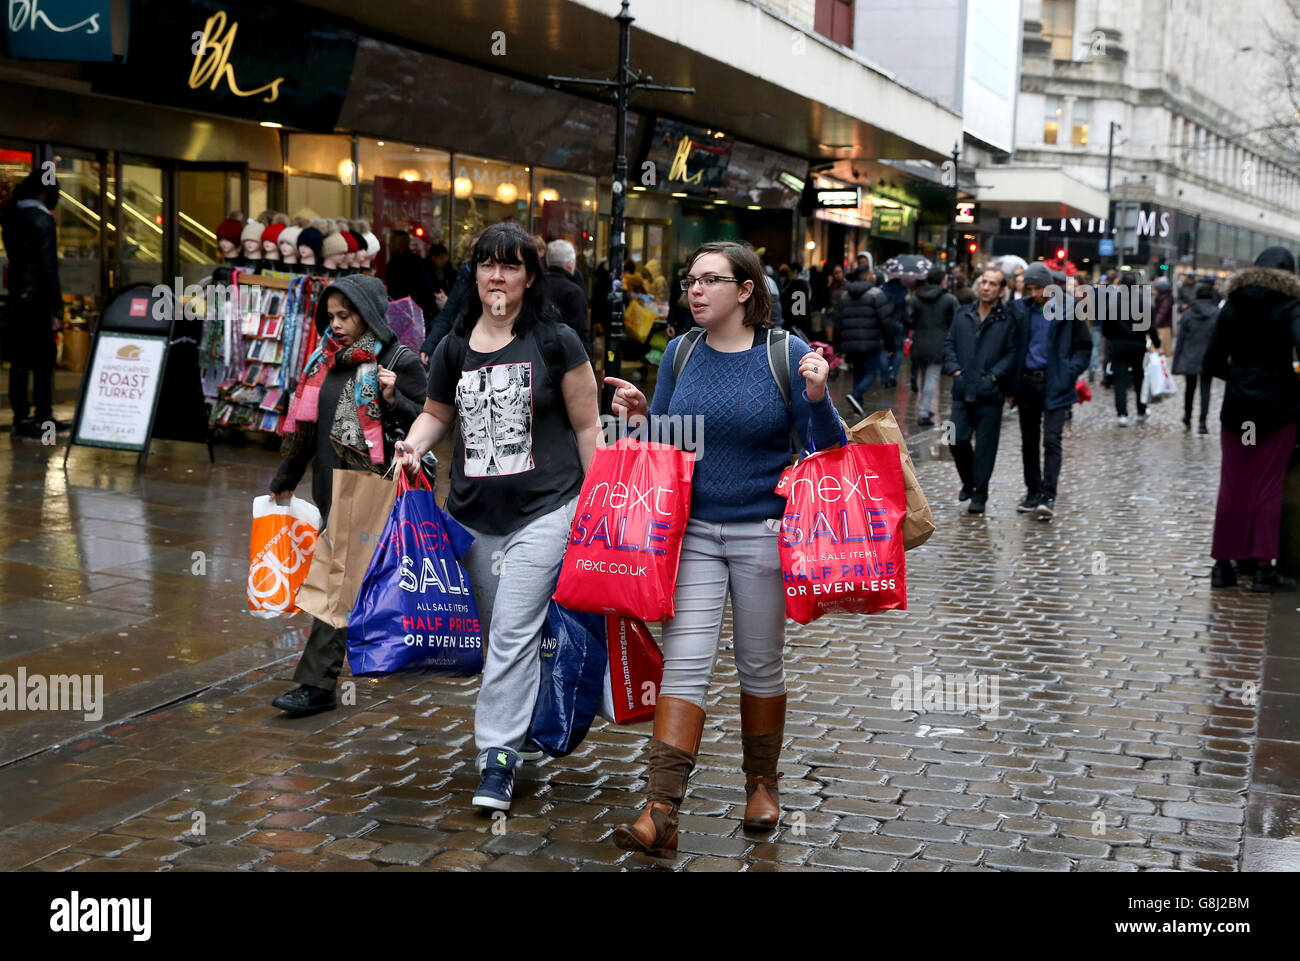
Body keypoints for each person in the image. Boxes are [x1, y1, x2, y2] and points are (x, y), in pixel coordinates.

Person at [602, 240, 840, 858]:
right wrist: (633, 417)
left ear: (746, 290)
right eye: (690, 280)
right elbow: (663, 441)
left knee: (759, 665)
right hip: (694, 534)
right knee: (685, 665)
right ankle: (661, 809)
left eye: (711, 280)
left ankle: (762, 784)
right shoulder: (681, 352)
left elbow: (828, 447)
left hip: (764, 532)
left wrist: (818, 399)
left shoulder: (784, 354)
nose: (696, 291)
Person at [393, 222, 602, 810]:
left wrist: (595, 505)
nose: (497, 275)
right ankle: (529, 713)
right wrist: (413, 444)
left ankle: (496, 762)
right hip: (472, 515)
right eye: (487, 264)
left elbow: (588, 427)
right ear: (475, 274)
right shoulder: (455, 346)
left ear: (529, 276)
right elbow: (437, 416)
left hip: (547, 508)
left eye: (509, 265)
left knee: (511, 633)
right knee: (497, 639)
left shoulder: (557, 341)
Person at [268, 275, 427, 716]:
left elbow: (431, 423)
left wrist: (395, 400)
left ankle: (316, 684)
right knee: (351, 582)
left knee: (335, 582)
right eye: (331, 316)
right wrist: (286, 474)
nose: (335, 325)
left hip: (370, 486)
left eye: (345, 316)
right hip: (330, 488)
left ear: (368, 314)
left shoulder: (398, 361)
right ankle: (391, 652)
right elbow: (306, 427)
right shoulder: (324, 361)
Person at [1204, 246, 1300, 592]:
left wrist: (1241, 377)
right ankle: (1262, 568)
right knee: (1268, 485)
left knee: (1235, 483)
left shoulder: (1234, 305)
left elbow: (1212, 360)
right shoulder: (1291, 306)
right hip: (1276, 413)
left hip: (1241, 415)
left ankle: (1223, 566)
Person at [1009, 263, 1092, 520]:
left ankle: (1048, 495)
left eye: (1038, 288)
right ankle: (1032, 490)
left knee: (1052, 440)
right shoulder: (1021, 310)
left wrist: (1069, 371)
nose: (1034, 293)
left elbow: (1084, 346)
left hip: (1057, 382)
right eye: (1029, 288)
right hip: (1027, 383)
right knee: (1029, 440)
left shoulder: (1068, 309)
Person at [944, 268, 1018, 514]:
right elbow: (950, 344)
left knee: (986, 447)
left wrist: (994, 376)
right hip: (962, 389)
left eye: (992, 284)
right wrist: (955, 370)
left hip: (990, 393)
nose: (986, 287)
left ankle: (980, 495)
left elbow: (1011, 353)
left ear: (1001, 290)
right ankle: (968, 481)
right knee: (956, 438)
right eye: (984, 282)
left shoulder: (1007, 319)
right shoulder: (962, 313)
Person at [3, 170, 65, 439]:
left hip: (18, 297)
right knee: (42, 360)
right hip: (38, 299)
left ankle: (20, 417)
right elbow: (48, 267)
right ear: (46, 192)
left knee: (20, 360)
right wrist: (56, 308)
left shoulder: (12, 216)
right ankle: (43, 415)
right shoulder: (42, 219)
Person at [833, 266, 895, 415]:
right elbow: (885, 321)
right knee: (871, 373)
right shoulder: (876, 294)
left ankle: (857, 406)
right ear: (867, 276)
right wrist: (889, 343)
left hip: (850, 342)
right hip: (871, 341)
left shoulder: (845, 295)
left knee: (857, 372)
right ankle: (856, 395)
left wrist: (837, 345)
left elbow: (838, 321)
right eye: (872, 274)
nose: (874, 276)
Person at [1103, 275, 1159, 425]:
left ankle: (1122, 414)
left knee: (1119, 380)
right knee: (1139, 378)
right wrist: (1156, 343)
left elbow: (1105, 324)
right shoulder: (1143, 302)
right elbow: (1150, 326)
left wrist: (1110, 339)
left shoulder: (1113, 301)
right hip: (1137, 345)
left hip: (1118, 345)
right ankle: (1141, 411)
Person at [906, 266, 959, 426]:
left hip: (920, 341)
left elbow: (908, 319)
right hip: (939, 343)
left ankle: (925, 407)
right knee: (931, 378)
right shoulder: (949, 299)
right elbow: (957, 321)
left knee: (924, 378)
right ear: (943, 280)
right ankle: (924, 412)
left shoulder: (915, 298)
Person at [1171, 276, 1221, 433]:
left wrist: (1176, 362)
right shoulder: (1217, 314)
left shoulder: (1188, 314)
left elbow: (1180, 340)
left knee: (1189, 389)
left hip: (1190, 356)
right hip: (1209, 357)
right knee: (1206, 389)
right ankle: (1202, 421)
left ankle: (1187, 416)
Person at [544, 239, 591, 353]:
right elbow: (579, 331)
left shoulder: (535, 285)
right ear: (570, 264)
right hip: (565, 356)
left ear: (548, 262)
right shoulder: (574, 291)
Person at [383, 229, 437, 319]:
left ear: (402, 243)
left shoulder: (413, 263)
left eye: (393, 241)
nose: (389, 244)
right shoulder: (417, 261)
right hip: (413, 309)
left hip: (408, 309)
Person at [780, 259, 813, 341]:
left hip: (796, 325)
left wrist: (795, 323)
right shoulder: (803, 283)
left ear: (795, 271)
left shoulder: (798, 284)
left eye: (790, 271)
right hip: (799, 323)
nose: (789, 274)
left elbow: (799, 306)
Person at [1154, 277, 1175, 357]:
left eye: (1155, 289)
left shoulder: (1166, 300)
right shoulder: (1163, 298)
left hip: (1163, 329)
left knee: (1160, 352)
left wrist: (1153, 324)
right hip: (1162, 327)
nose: (1153, 291)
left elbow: (1161, 313)